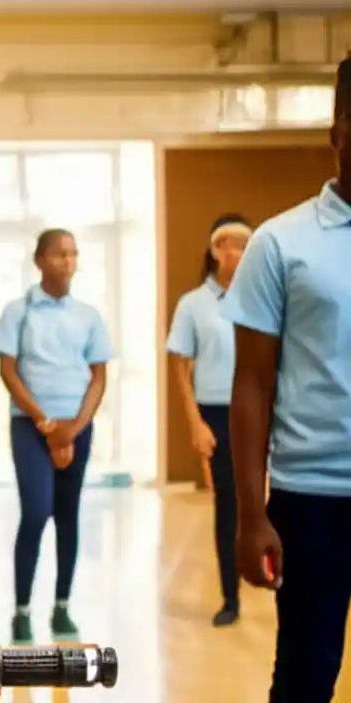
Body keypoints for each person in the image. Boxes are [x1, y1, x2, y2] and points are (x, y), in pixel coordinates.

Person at [224, 54, 351, 703]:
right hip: (312, 498)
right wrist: (252, 515)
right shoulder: (282, 242)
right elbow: (251, 386)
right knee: (307, 670)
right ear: (337, 127)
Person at [0, 228, 112, 645]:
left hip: (76, 425)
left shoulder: (88, 316)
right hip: (30, 425)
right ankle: (21, 611)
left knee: (68, 514)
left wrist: (72, 429)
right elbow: (8, 370)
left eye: (74, 254)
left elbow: (98, 377)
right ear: (39, 260)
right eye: (59, 254)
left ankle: (62, 607)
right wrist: (45, 424)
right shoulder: (18, 311)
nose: (68, 261)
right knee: (37, 511)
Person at [166, 213, 253, 628]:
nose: (235, 251)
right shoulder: (193, 303)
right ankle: (230, 597)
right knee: (229, 504)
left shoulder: (264, 295)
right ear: (214, 250)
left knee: (274, 501)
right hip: (216, 412)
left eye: (243, 243)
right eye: (227, 243)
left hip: (259, 410)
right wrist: (195, 423)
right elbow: (179, 367)